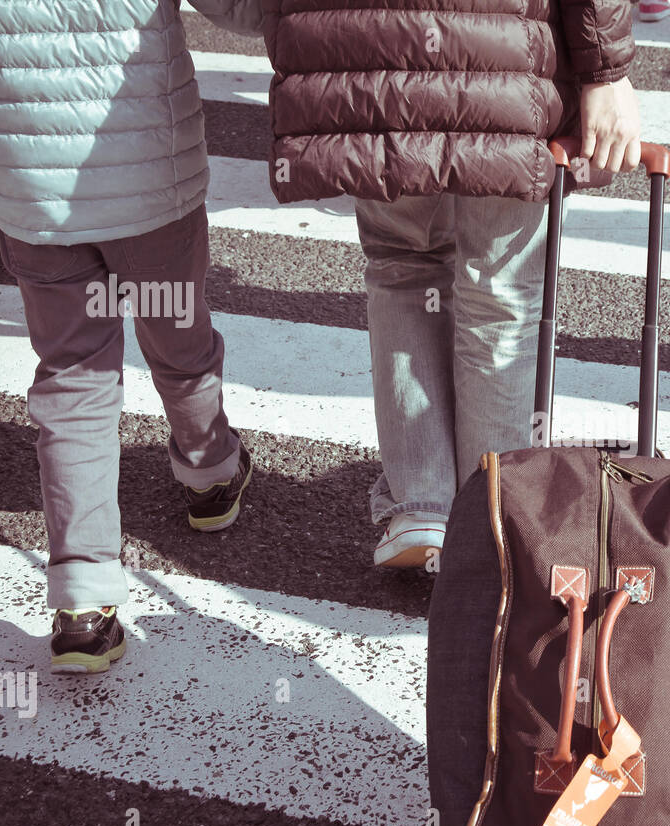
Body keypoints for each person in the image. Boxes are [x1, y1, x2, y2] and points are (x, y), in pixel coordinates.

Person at [236, 0, 643, 568]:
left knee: (404, 266)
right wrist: (607, 70)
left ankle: (423, 506)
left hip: (367, 47)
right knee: (498, 292)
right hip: (504, 51)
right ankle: (490, 518)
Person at [0, 0, 261, 672]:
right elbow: (240, 8)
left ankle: (83, 600)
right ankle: (208, 471)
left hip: (31, 189)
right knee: (178, 333)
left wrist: (8, 119)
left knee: (73, 375)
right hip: (151, 178)